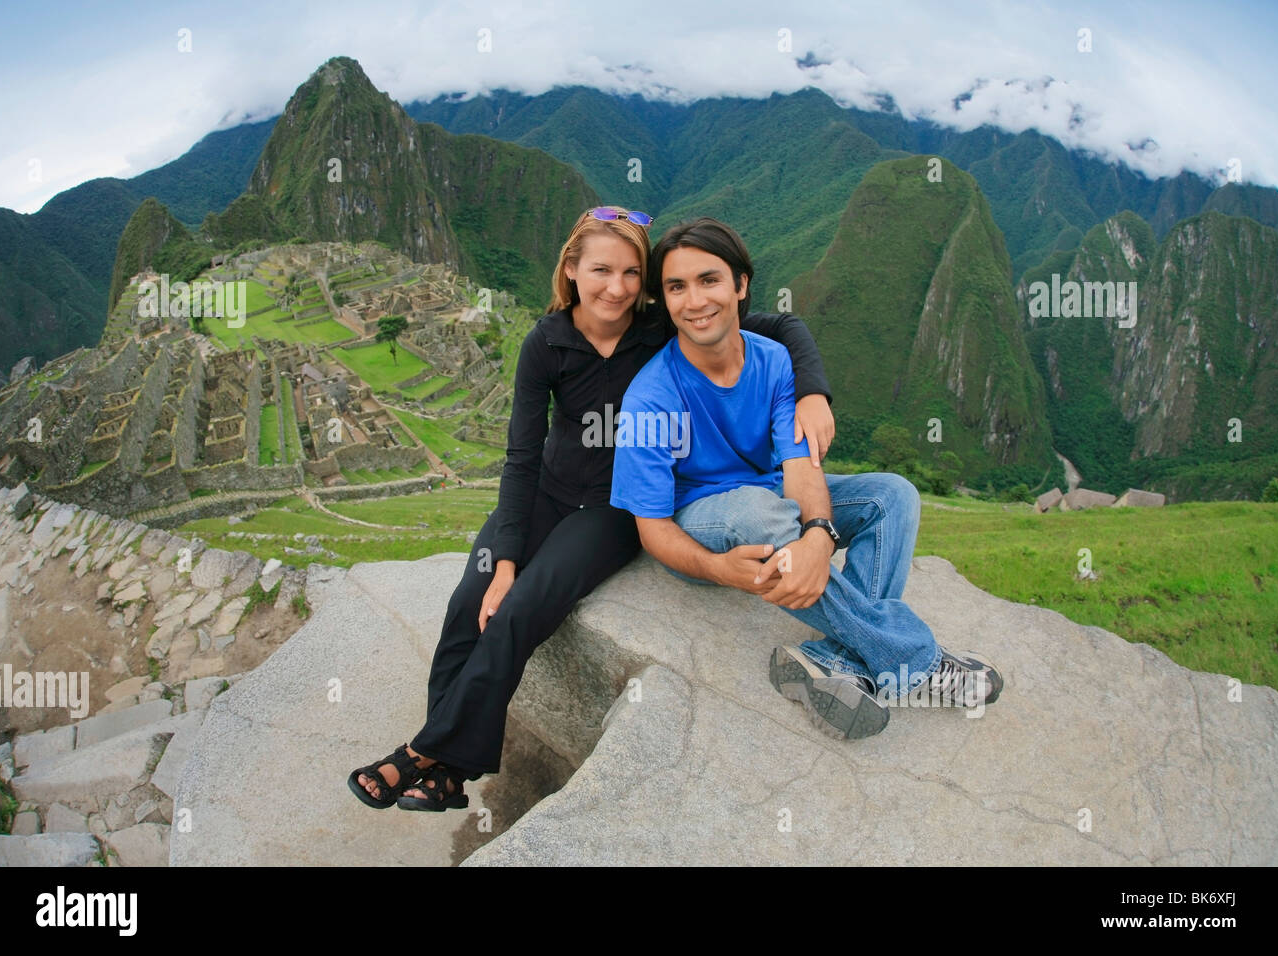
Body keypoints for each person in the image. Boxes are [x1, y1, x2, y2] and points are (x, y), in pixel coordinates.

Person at [348, 206, 836, 810]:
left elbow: (782, 327)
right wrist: (503, 562)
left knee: (522, 611)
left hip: (611, 508)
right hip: (549, 490)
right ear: (571, 270)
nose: (619, 287)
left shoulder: (659, 326)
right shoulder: (545, 343)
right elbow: (521, 457)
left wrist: (813, 391)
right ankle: (450, 772)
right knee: (466, 604)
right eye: (602, 270)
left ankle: (422, 754)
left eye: (633, 273)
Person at [609, 217, 1002, 740]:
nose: (695, 300)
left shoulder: (773, 360)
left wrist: (818, 534)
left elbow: (800, 466)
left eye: (709, 280)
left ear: (741, 285)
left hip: (774, 502)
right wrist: (717, 569)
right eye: (676, 287)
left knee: (893, 495)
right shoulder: (650, 396)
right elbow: (652, 528)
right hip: (702, 522)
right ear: (664, 299)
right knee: (756, 509)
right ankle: (911, 659)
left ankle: (832, 661)